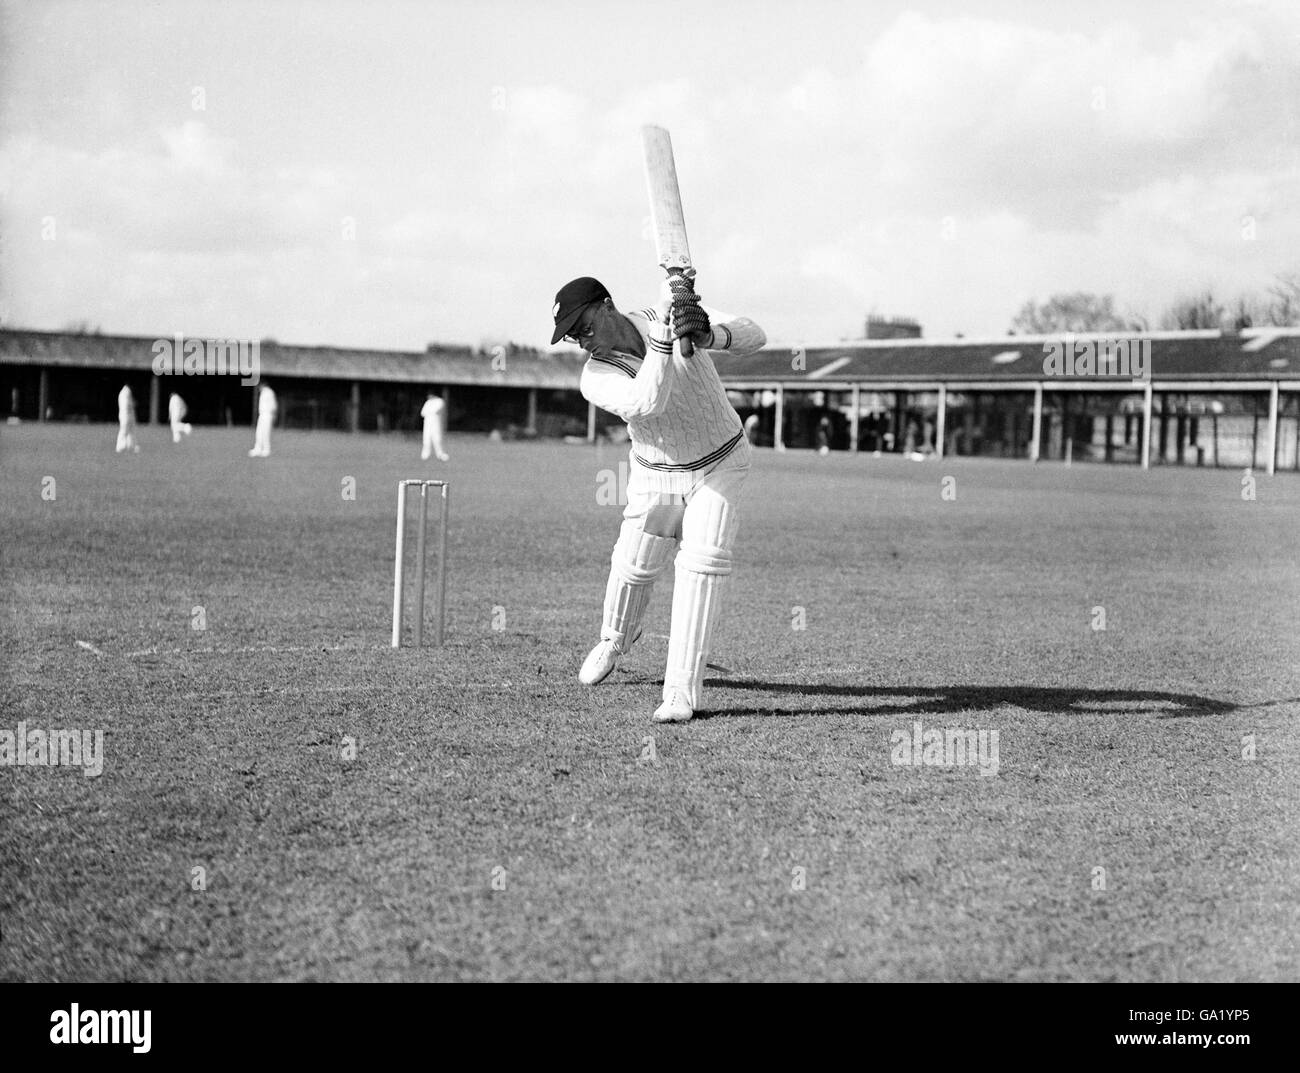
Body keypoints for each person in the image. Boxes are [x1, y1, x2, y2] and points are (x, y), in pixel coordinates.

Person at [552, 273, 766, 723]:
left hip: (720, 462)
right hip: (660, 478)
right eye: (575, 337)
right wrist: (665, 340)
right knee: (636, 567)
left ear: (607, 306)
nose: (584, 343)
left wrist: (708, 334)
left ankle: (680, 693)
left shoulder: (663, 314)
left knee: (702, 564)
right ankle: (615, 637)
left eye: (586, 328)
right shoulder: (596, 375)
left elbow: (756, 335)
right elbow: (647, 402)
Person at [420, 391, 450, 461]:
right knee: (426, 439)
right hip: (427, 424)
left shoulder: (440, 401)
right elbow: (423, 412)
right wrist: (429, 412)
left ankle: (440, 454)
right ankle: (425, 455)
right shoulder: (428, 402)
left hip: (436, 424)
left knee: (437, 439)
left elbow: (435, 411)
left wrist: (429, 412)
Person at [249, 382, 277, 457]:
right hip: (262, 414)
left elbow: (273, 405)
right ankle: (258, 448)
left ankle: (266, 450)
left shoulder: (269, 392)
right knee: (259, 432)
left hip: (267, 414)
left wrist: (273, 414)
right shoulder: (263, 393)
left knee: (266, 432)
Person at [116, 384, 139, 453]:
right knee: (124, 430)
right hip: (125, 415)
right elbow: (126, 404)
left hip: (129, 414)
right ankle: (120, 447)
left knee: (131, 430)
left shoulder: (127, 392)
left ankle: (130, 446)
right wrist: (133, 404)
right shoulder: (125, 393)